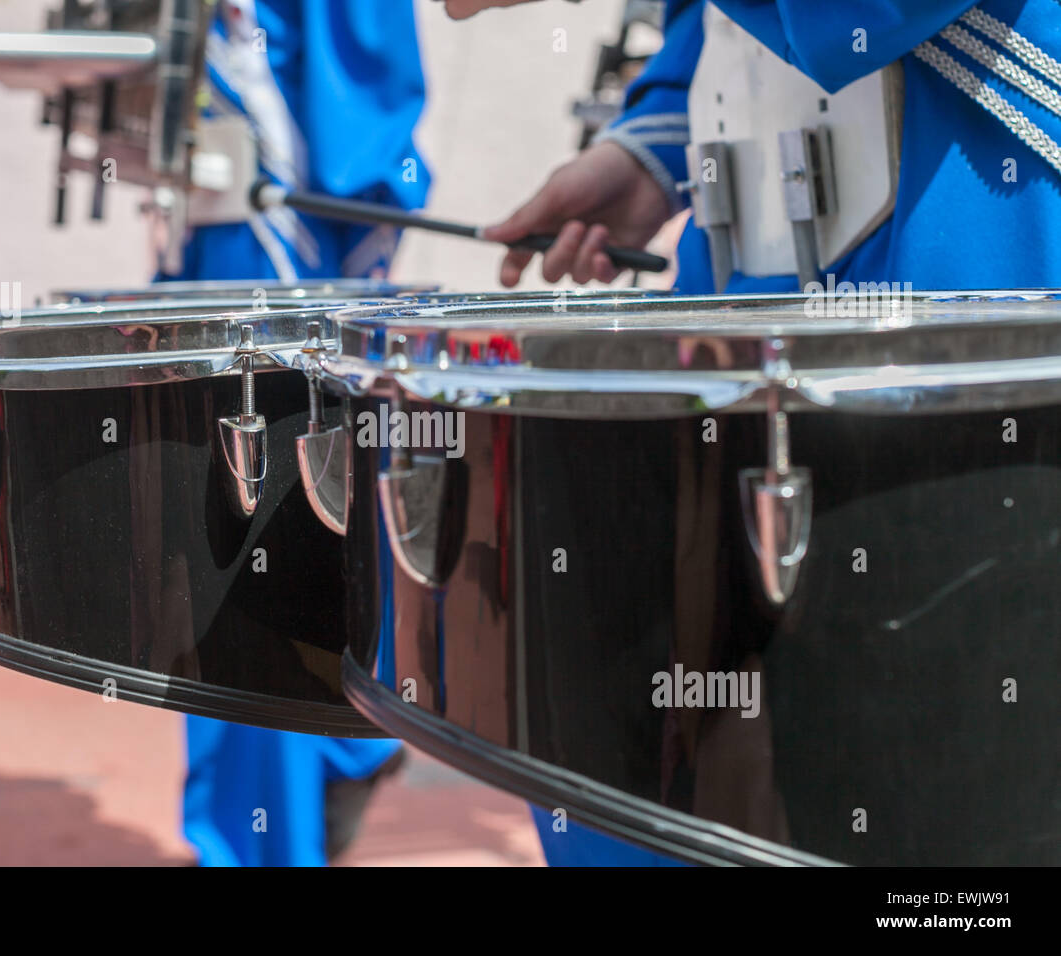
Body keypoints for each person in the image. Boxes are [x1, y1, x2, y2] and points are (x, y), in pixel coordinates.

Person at [440, 0, 1061, 865]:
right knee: (656, 786)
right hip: (738, 259)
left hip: (975, 213)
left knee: (946, 811)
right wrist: (659, 149)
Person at [161, 0, 429, 866]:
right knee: (225, 556)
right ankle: (347, 748)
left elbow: (366, 107)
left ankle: (270, 832)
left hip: (278, 247)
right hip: (213, 243)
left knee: (248, 558)